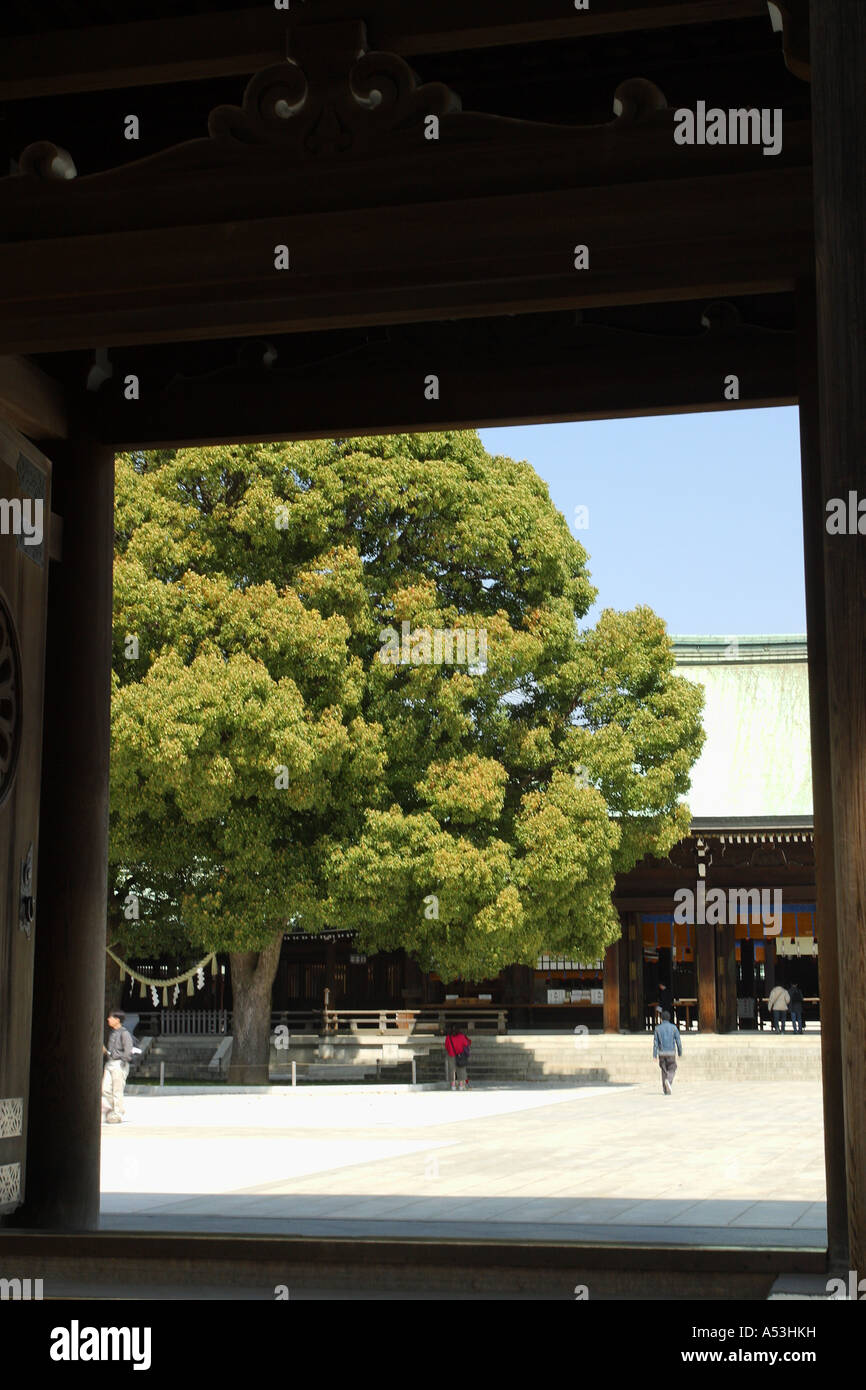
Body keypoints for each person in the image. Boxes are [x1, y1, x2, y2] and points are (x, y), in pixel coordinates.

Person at [102, 1011, 134, 1123]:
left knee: (117, 1090)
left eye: (111, 1017)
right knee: (105, 1089)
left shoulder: (124, 1033)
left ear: (117, 1020)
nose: (108, 1019)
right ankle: (116, 1108)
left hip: (119, 1063)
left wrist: (123, 1061)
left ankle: (118, 1113)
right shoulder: (112, 1033)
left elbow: (128, 1049)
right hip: (110, 1062)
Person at [652, 1010, 682, 1095]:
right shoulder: (674, 1027)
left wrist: (654, 1055)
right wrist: (680, 1052)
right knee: (672, 1068)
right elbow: (678, 1041)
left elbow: (655, 1043)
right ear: (669, 1018)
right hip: (671, 1052)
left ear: (661, 1019)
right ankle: (668, 1081)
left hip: (661, 1053)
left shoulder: (657, 1028)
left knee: (664, 1070)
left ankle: (665, 1090)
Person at [444, 1024, 471, 1091]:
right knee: (461, 1069)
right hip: (460, 1055)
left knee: (452, 1070)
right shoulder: (461, 1036)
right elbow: (467, 1043)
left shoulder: (448, 1037)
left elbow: (446, 1046)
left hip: (451, 1054)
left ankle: (453, 1085)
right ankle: (461, 1085)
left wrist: (450, 1051)